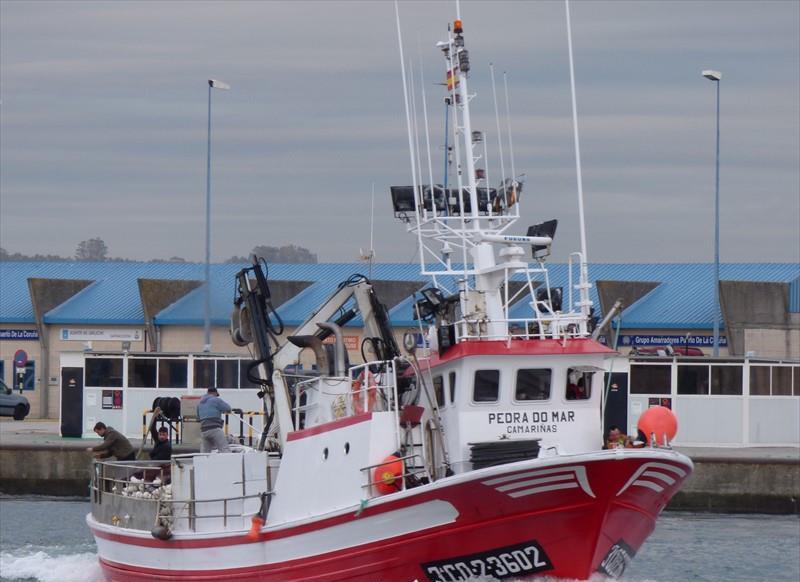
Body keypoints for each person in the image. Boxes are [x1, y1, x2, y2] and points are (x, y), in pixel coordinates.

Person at [198, 387, 232, 453]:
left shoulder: (200, 403)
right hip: (215, 429)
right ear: (215, 393)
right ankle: (230, 462)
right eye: (216, 395)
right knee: (224, 449)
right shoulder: (216, 400)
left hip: (204, 431)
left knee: (205, 453)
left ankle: (203, 463)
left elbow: (198, 417)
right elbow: (228, 408)